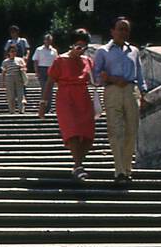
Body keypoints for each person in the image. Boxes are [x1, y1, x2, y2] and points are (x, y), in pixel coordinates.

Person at [92, 16, 147, 185]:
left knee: (131, 130)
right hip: (112, 91)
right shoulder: (103, 51)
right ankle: (119, 170)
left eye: (126, 29)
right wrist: (111, 78)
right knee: (115, 131)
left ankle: (127, 168)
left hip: (131, 91)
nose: (123, 32)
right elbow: (95, 75)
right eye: (120, 28)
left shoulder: (134, 51)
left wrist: (144, 93)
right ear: (112, 31)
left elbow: (140, 74)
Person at [39, 27, 95, 181]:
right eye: (78, 46)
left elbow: (94, 79)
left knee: (88, 135)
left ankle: (78, 162)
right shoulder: (60, 60)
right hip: (66, 98)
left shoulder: (88, 61)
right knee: (73, 132)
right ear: (71, 45)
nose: (80, 50)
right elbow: (50, 82)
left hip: (83, 98)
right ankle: (78, 165)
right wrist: (43, 102)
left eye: (84, 47)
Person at [32, 32, 58, 114]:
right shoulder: (39, 49)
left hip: (51, 69)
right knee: (44, 89)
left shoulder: (54, 51)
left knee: (50, 89)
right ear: (44, 41)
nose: (48, 42)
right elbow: (35, 60)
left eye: (50, 40)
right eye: (47, 40)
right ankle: (43, 107)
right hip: (42, 69)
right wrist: (36, 71)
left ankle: (49, 107)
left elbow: (57, 62)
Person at [0, 43, 28, 113]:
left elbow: (25, 69)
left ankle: (21, 110)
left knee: (20, 94)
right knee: (10, 95)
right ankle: (12, 110)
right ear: (9, 52)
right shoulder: (5, 61)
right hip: (9, 78)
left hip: (18, 77)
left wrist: (22, 67)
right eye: (12, 51)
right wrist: (3, 82)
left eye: (14, 51)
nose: (13, 53)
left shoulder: (20, 60)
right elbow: (3, 72)